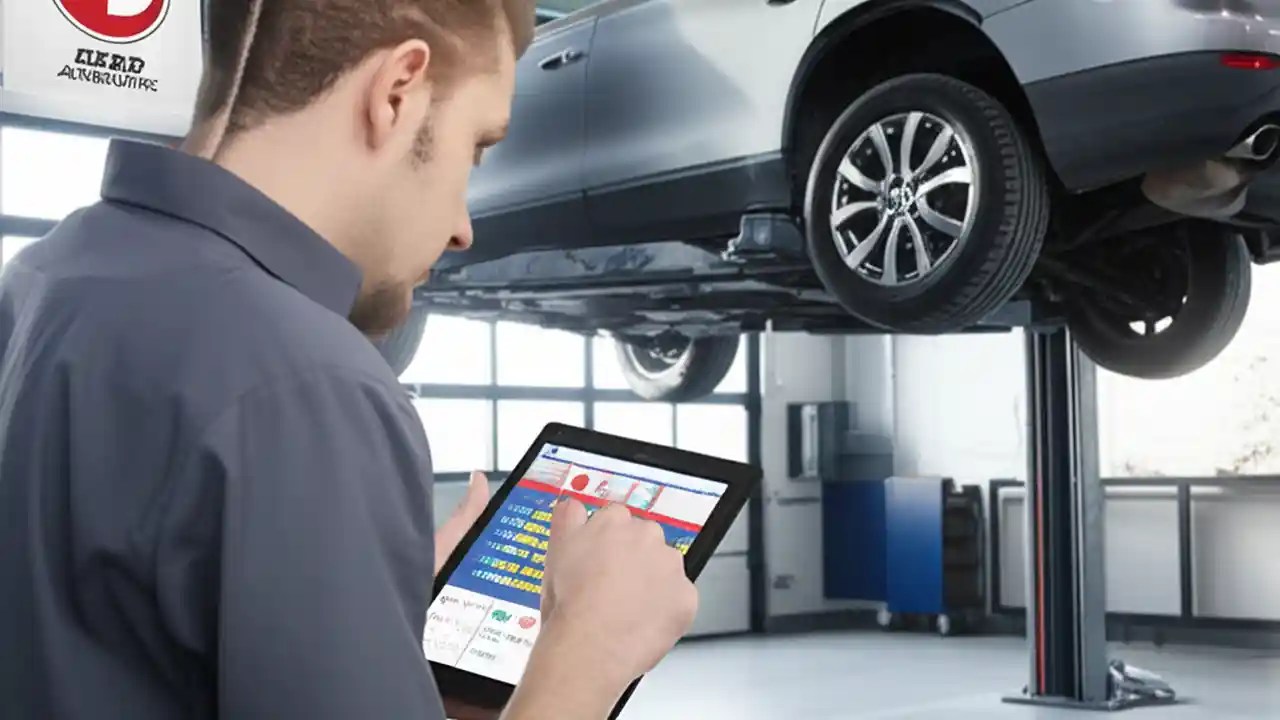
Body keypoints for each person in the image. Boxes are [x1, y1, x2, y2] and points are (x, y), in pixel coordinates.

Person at [0, 1, 698, 719]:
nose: (463, 228)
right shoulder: (310, 381)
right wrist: (588, 652)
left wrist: (354, 593)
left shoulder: (44, 278)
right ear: (397, 91)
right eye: (475, 148)